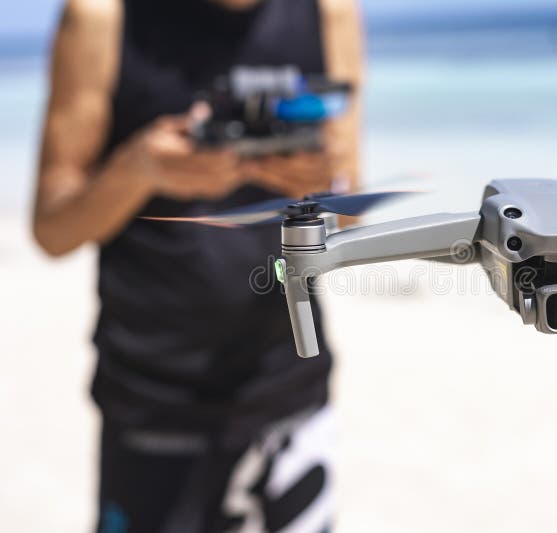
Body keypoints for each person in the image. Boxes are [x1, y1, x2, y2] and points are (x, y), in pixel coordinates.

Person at [32, 0, 363, 531]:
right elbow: (51, 229)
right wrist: (139, 170)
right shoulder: (102, 15)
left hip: (291, 387)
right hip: (152, 399)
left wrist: (320, 180)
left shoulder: (329, 11)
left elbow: (348, 212)